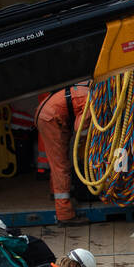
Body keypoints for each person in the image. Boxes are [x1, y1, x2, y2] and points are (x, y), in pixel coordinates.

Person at [35, 82, 91, 223]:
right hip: (50, 119)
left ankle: (56, 193)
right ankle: (65, 215)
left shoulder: (85, 90)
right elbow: (80, 130)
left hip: (52, 116)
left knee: (59, 163)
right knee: (60, 166)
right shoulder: (91, 99)